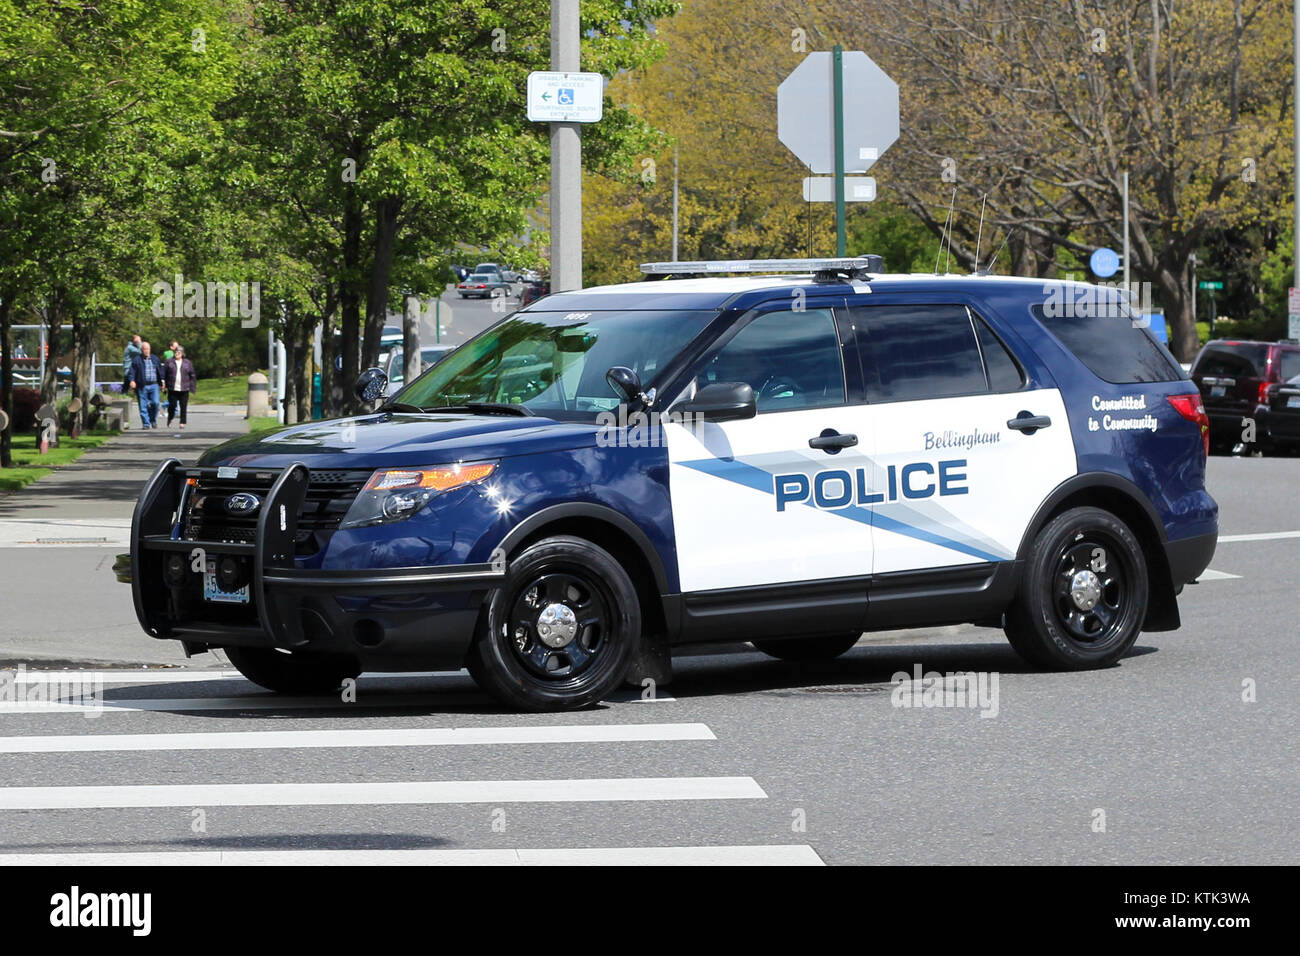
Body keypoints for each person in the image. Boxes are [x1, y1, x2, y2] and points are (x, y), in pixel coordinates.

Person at [128, 341, 165, 429]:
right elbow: (132, 372)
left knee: (155, 403)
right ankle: (146, 423)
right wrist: (132, 380)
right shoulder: (137, 360)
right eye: (144, 349)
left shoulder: (155, 359)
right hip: (142, 385)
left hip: (154, 385)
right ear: (141, 350)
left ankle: (152, 420)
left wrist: (162, 382)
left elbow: (160, 371)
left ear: (150, 349)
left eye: (148, 349)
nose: (146, 351)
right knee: (143, 405)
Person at [164, 345, 196, 430]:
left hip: (184, 388)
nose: (177, 353)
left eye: (179, 352)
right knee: (172, 405)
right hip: (172, 388)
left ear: (182, 353)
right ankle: (170, 418)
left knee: (183, 406)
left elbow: (192, 375)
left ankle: (182, 422)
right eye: (176, 352)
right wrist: (164, 384)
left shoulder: (187, 363)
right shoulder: (169, 362)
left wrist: (192, 387)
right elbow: (164, 374)